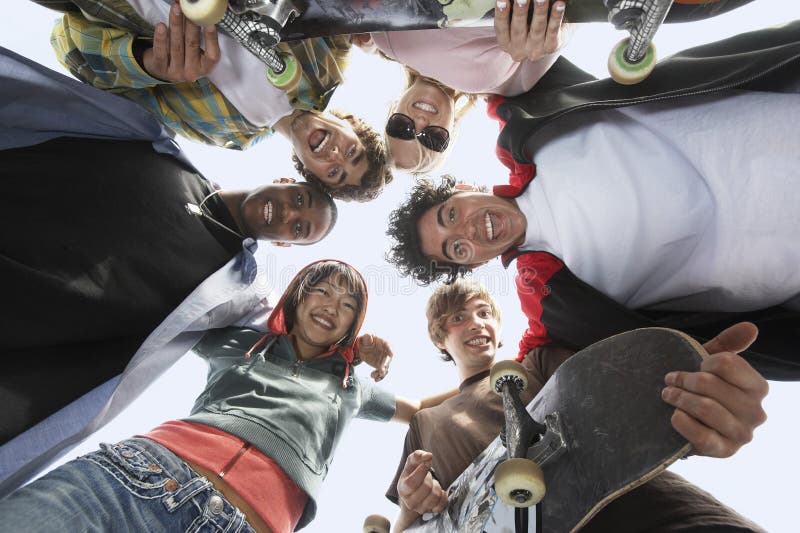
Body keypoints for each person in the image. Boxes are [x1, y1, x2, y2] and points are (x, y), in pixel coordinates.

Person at [0, 46, 336, 491]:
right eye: (300, 201)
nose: (291, 216)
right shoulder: (155, 145)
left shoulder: (232, 290)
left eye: (301, 229)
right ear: (287, 180)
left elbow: (282, 340)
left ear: (283, 243)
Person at [385, 20, 800, 381]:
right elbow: (531, 374)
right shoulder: (548, 300)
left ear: (464, 189)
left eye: (451, 215)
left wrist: (374, 35)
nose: (468, 230)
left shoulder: (525, 126)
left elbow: (485, 49)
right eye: (457, 248)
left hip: (779, 118)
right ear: (473, 263)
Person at [0, 260, 455, 532]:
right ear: (295, 299)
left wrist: (491, 368)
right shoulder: (240, 342)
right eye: (320, 290)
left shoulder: (353, 384)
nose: (331, 305)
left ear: (353, 325)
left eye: (347, 305)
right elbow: (187, 304)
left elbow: (419, 411)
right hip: (138, 476)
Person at [387, 279, 769, 532]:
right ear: (440, 337)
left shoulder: (539, 362)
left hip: (658, 516)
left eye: (484, 313)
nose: (476, 324)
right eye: (458, 318)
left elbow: (631, 395)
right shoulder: (426, 422)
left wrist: (699, 398)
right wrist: (409, 503)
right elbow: (409, 524)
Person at [33, 0, 393, 201]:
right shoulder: (330, 65)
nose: (334, 156)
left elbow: (71, 51)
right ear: (353, 125)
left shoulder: (220, 134)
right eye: (352, 152)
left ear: (308, 172)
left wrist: (149, 63)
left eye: (333, 173)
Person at [353, 0, 570, 174]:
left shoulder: (385, 40)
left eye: (401, 128)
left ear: (393, 110)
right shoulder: (512, 85)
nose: (419, 123)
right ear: (452, 129)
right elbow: (567, 26)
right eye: (433, 139)